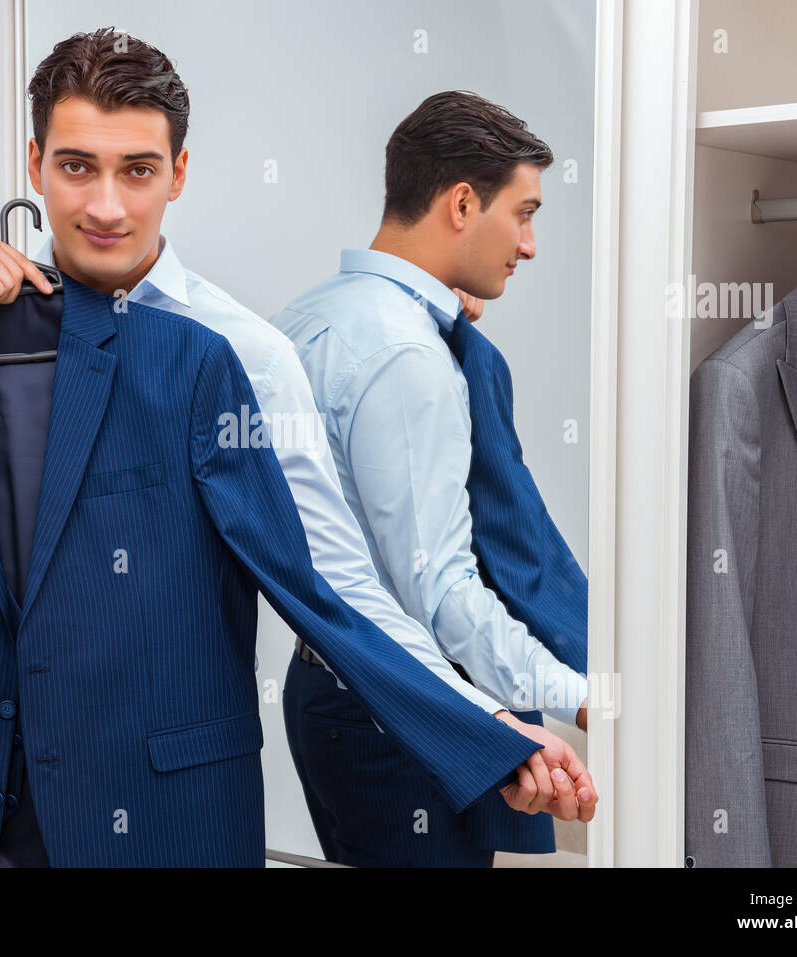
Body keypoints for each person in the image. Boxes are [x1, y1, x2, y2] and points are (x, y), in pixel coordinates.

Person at [0, 28, 596, 861]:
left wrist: (481, 722)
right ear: (36, 163)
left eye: (138, 170)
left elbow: (336, 582)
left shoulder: (236, 355)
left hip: (148, 809)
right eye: (78, 167)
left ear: (180, 172)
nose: (107, 206)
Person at [272, 91, 592, 866]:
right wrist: (578, 692)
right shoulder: (406, 354)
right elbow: (439, 589)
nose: (530, 242)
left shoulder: (317, 314)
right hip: (399, 717)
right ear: (460, 203)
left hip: (336, 695)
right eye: (523, 212)